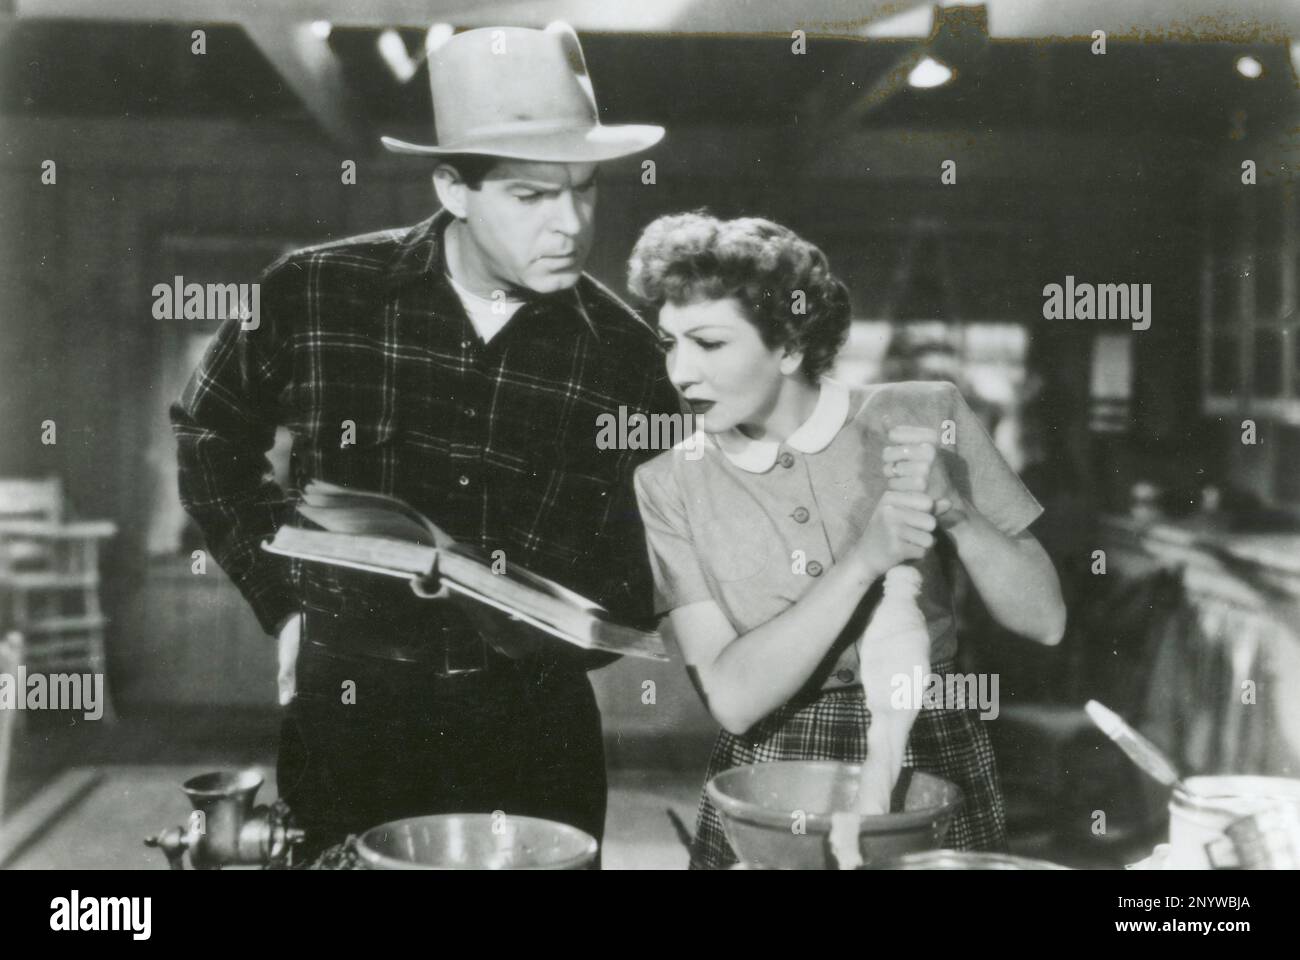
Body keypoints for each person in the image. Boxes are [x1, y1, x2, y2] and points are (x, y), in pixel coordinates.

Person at [171, 23, 678, 865]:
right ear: (453, 187)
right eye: (531, 196)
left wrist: (577, 622)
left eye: (584, 190)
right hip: (353, 710)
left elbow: (660, 538)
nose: (570, 225)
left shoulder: (629, 353)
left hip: (536, 732)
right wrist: (284, 595)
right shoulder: (314, 290)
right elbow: (208, 430)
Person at [627, 212, 1067, 869]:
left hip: (930, 742)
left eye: (709, 344)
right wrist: (863, 563)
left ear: (788, 347)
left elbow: (1046, 620)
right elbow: (735, 700)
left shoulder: (925, 413)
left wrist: (956, 510)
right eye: (669, 343)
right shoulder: (668, 482)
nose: (681, 372)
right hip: (775, 761)